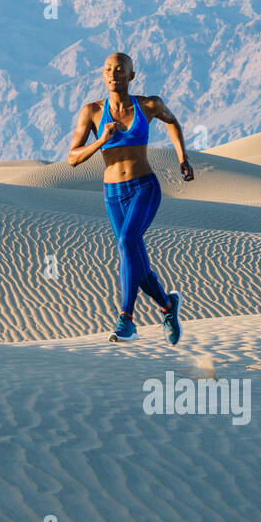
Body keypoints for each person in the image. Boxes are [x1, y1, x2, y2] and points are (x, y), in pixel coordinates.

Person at [66, 52, 194, 342]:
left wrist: (182, 157)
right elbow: (72, 158)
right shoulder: (92, 112)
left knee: (126, 243)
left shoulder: (149, 105)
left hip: (144, 188)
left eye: (121, 70)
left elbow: (171, 121)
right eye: (109, 70)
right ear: (103, 76)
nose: (114, 74)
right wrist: (101, 140)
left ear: (131, 76)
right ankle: (168, 306)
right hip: (113, 195)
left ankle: (127, 320)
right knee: (139, 262)